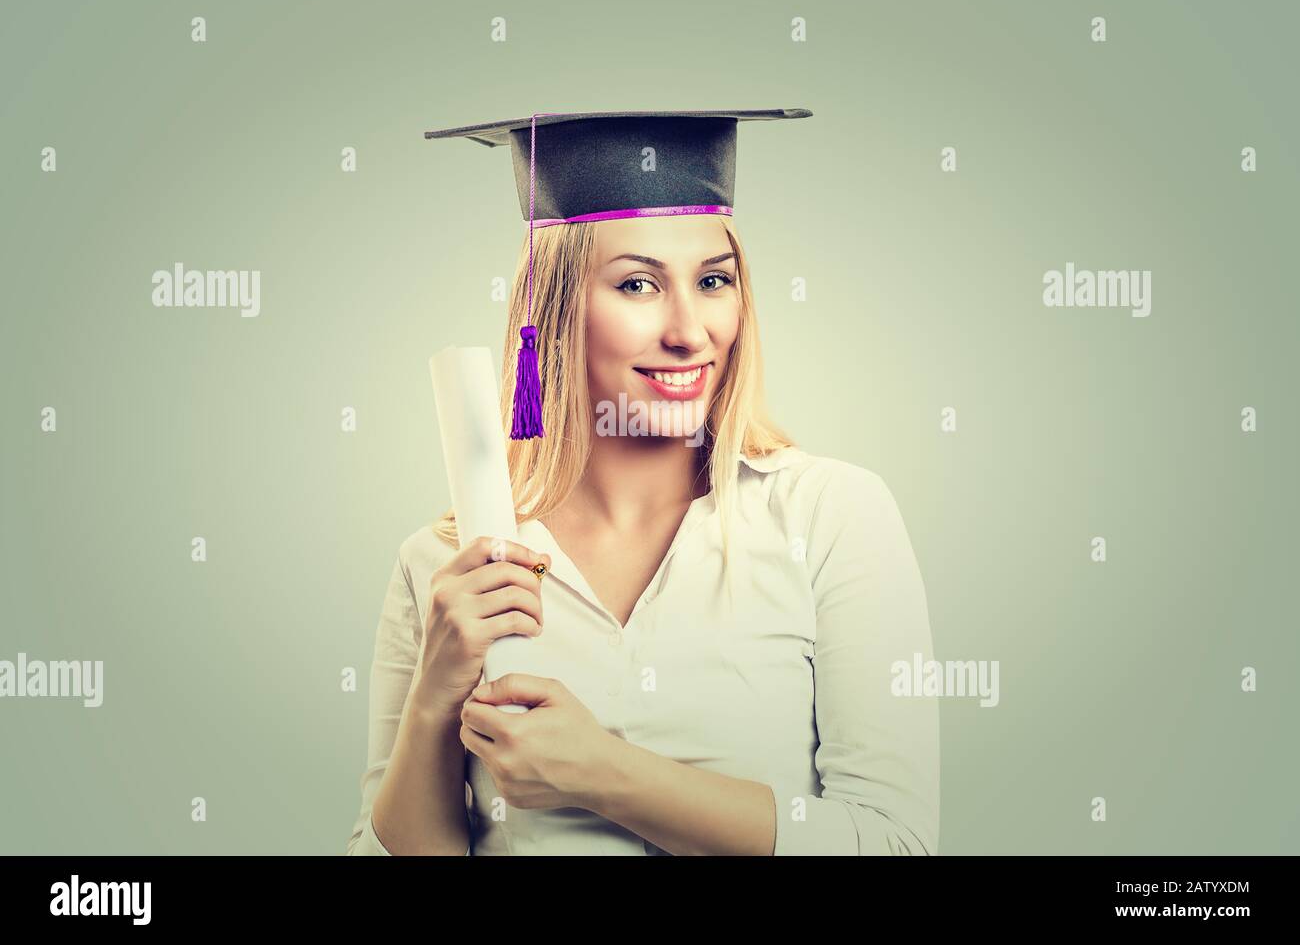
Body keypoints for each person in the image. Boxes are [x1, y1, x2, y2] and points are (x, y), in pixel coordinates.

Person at [346, 110, 939, 855]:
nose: (690, 330)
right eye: (638, 285)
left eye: (714, 280)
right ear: (549, 311)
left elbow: (895, 844)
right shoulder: (447, 564)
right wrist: (434, 701)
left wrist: (602, 772)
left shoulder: (829, 517)